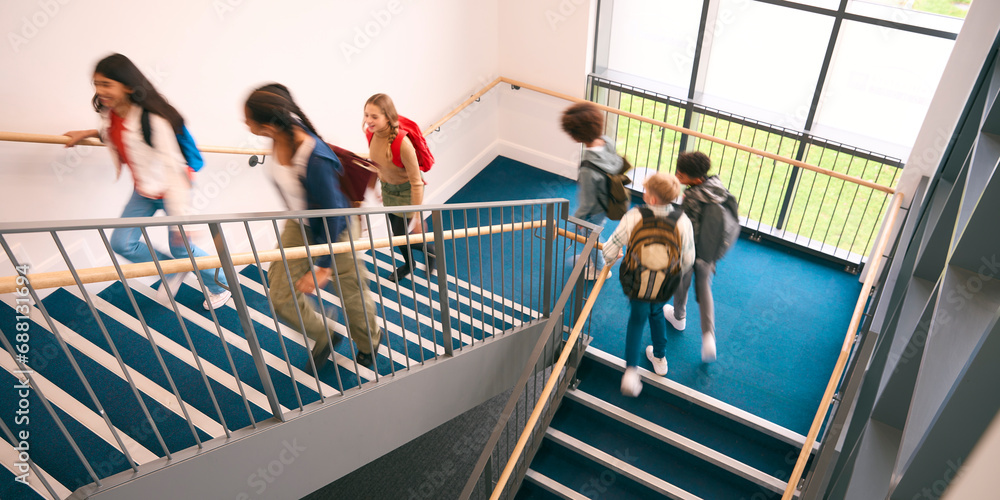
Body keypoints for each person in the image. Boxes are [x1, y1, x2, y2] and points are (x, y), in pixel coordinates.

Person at [63, 53, 231, 310]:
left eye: (106, 84)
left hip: (173, 188)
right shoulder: (110, 113)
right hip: (144, 190)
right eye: (96, 83)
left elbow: (174, 169)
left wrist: (181, 221)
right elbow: (117, 134)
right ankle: (172, 270)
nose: (99, 90)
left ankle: (220, 287)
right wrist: (87, 133)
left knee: (182, 251)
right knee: (121, 243)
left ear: (128, 86)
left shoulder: (154, 120)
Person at [244, 84, 382, 372]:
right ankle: (325, 334)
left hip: (337, 228)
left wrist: (322, 266)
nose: (245, 124)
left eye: (249, 119)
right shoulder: (278, 134)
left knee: (352, 292)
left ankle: (370, 342)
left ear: (267, 125)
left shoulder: (313, 156)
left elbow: (332, 214)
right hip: (302, 222)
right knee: (281, 294)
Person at [603, 173, 694, 397]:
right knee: (657, 314)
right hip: (664, 285)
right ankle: (660, 358)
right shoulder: (683, 221)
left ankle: (631, 372)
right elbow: (688, 259)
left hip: (637, 284)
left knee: (636, 321)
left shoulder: (634, 216)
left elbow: (612, 246)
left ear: (652, 199)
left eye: (646, 192)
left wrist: (608, 259)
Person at [663, 152, 737, 363]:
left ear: (695, 180)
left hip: (690, 251)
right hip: (709, 252)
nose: (677, 177)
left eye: (681, 175)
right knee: (704, 289)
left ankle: (679, 318)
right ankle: (708, 337)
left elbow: (685, 226)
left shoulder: (693, 197)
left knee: (681, 284)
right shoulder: (716, 186)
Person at [363, 93, 435, 283]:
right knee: (398, 235)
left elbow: (416, 182)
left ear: (387, 117)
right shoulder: (370, 133)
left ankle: (430, 251)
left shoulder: (402, 143)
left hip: (407, 192)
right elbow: (376, 162)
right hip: (388, 191)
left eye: (374, 116)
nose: (368, 120)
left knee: (404, 234)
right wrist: (374, 188)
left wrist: (418, 217)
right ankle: (409, 264)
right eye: (366, 115)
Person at [561, 102, 623, 280]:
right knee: (590, 229)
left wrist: (579, 220)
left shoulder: (588, 168)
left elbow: (587, 203)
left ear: (575, 136)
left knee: (588, 235)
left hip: (595, 208)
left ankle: (600, 269)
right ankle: (604, 251)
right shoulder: (607, 141)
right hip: (609, 198)